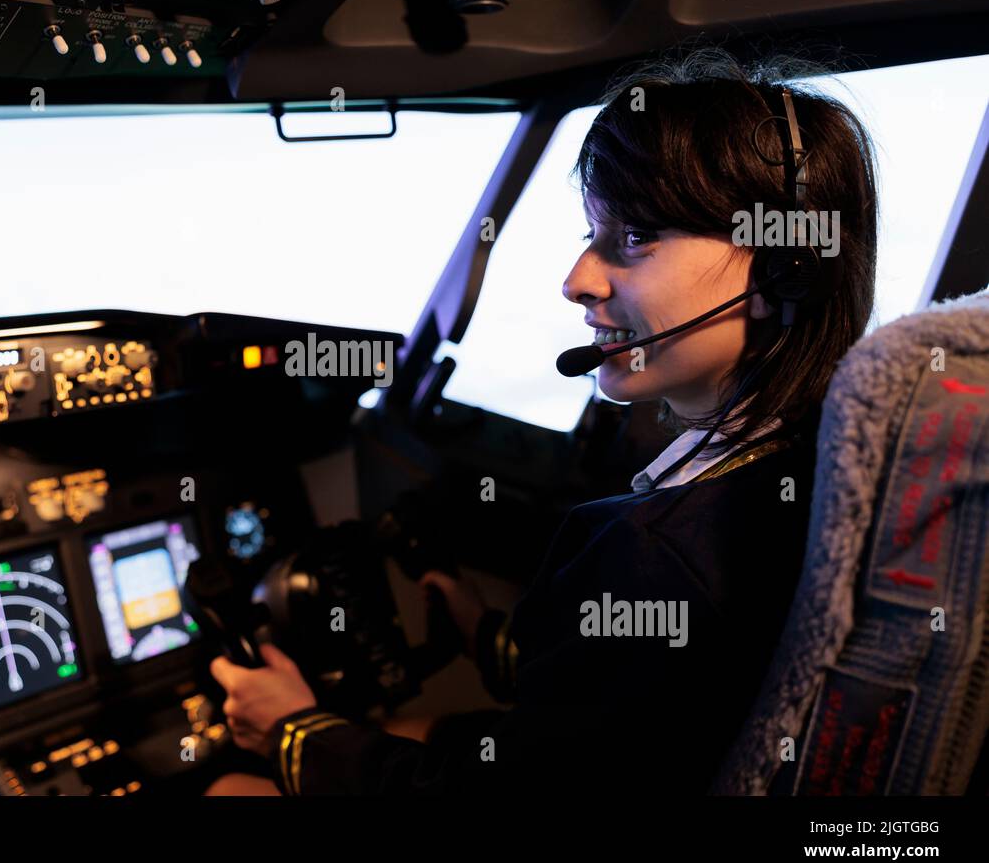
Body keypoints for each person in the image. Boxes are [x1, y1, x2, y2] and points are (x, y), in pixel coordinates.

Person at [206, 49, 878, 795]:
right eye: (592, 233)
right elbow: (628, 717)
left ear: (784, 266)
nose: (577, 281)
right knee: (413, 732)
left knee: (233, 789)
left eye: (633, 237)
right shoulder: (820, 467)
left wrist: (294, 730)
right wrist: (489, 638)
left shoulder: (663, 549)